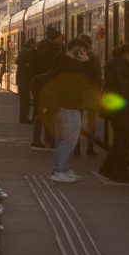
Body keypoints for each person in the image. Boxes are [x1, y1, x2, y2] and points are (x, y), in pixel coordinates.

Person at [41, 36, 99, 184]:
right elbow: (90, 82)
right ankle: (59, 170)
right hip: (68, 106)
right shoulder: (72, 66)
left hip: (62, 105)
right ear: (78, 50)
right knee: (68, 140)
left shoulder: (61, 61)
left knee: (63, 140)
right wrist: (86, 64)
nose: (86, 54)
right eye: (84, 51)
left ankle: (62, 168)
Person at [99, 36, 129, 183]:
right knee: (125, 140)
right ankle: (119, 173)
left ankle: (108, 169)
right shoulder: (122, 68)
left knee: (120, 140)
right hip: (122, 109)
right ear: (127, 53)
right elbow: (126, 88)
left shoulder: (120, 65)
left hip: (116, 108)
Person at [25, 25, 64, 146]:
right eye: (60, 38)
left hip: (37, 84)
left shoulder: (38, 50)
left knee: (40, 112)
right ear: (55, 39)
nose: (62, 40)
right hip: (48, 85)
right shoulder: (54, 52)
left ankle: (38, 139)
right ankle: (49, 139)